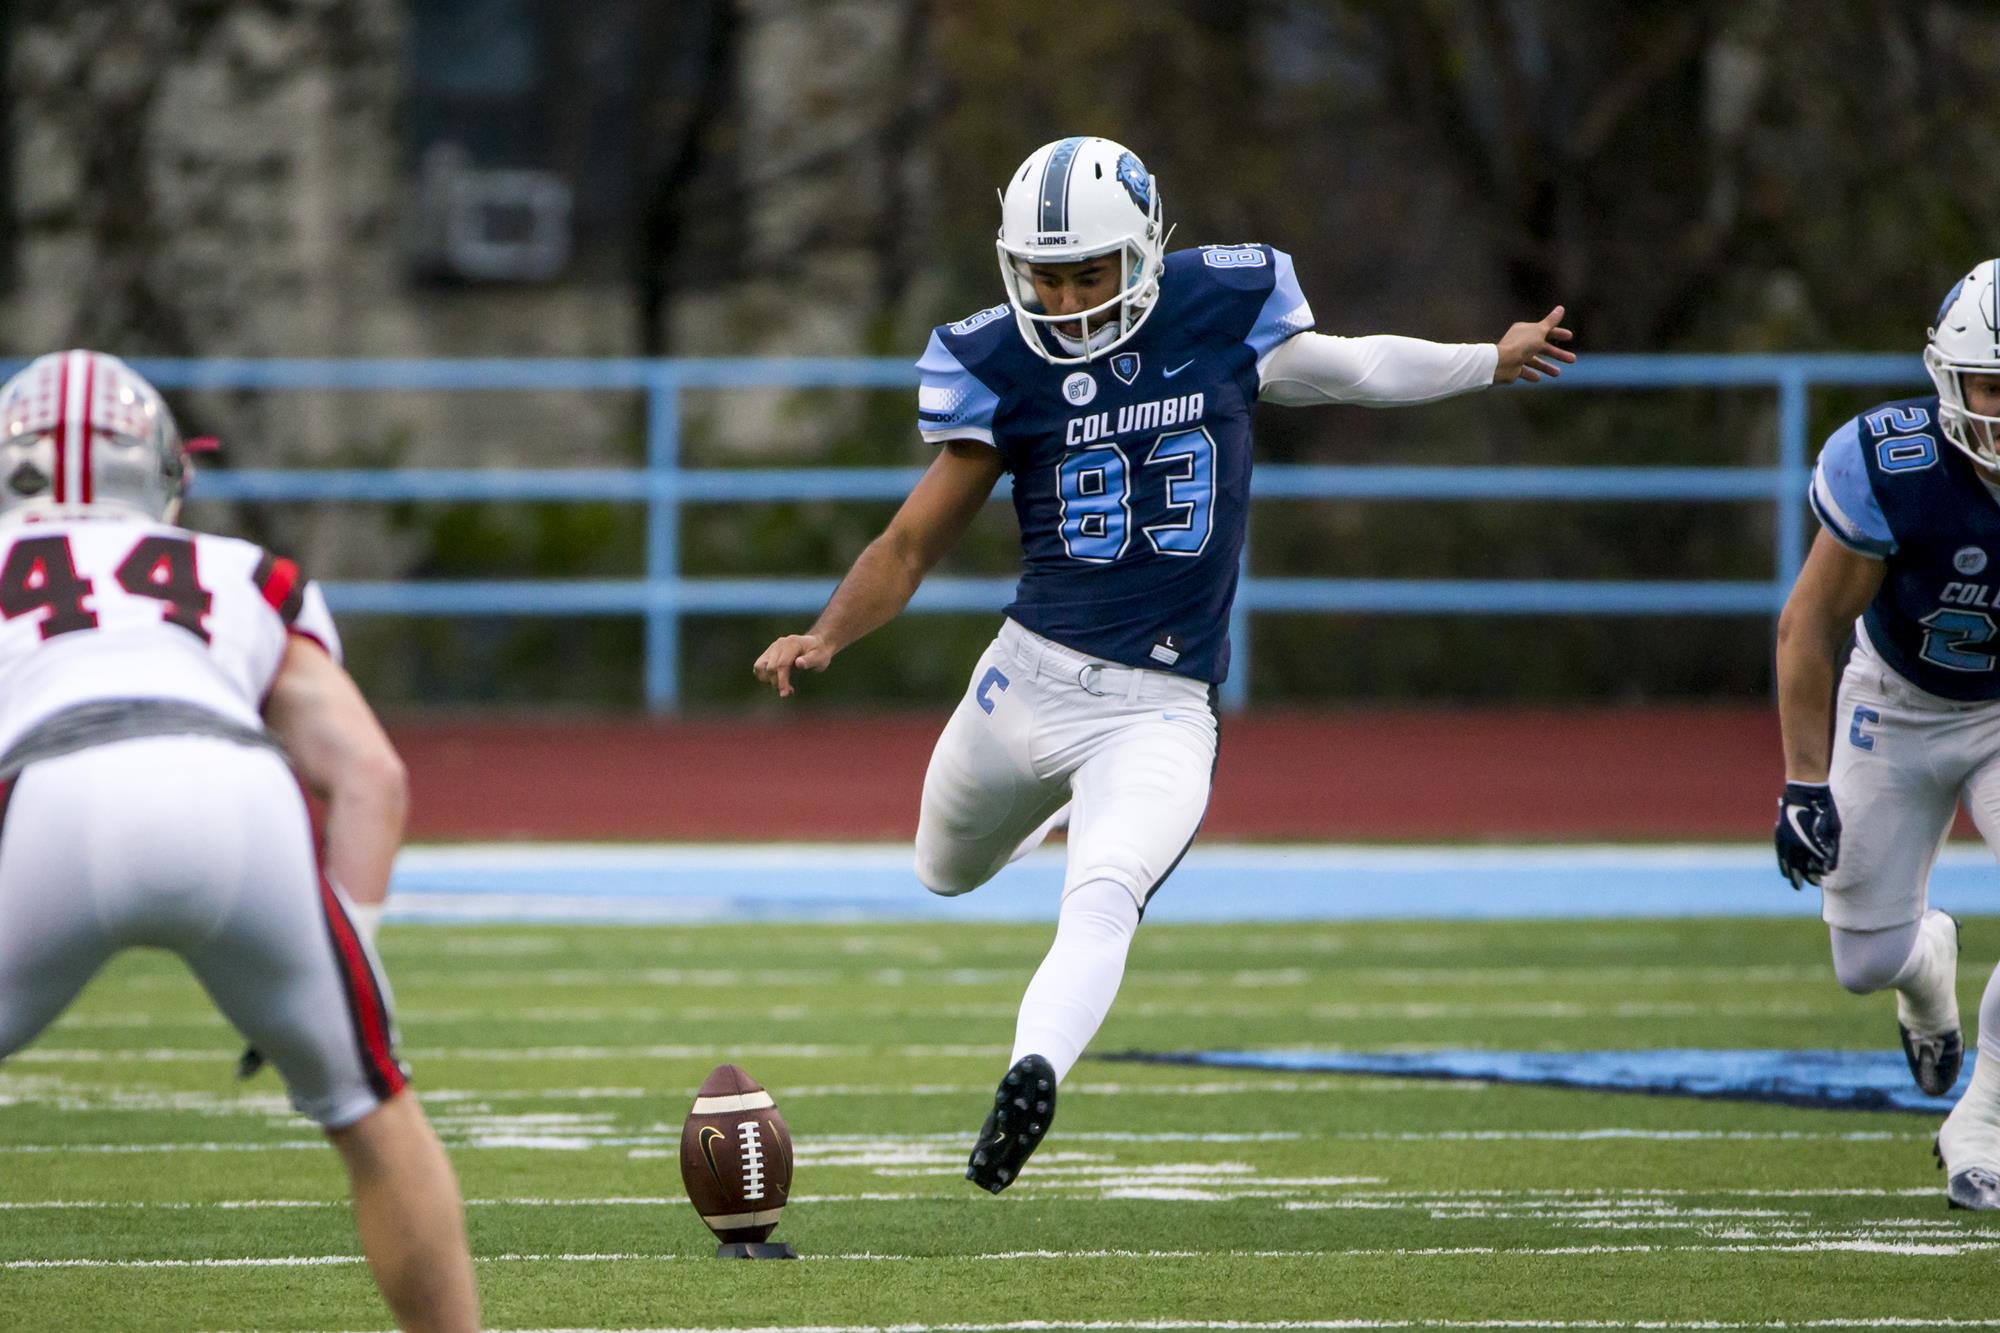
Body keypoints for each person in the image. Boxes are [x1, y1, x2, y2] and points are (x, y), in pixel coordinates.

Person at [753, 136, 1575, 1193]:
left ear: (1142, 252)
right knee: (942, 869)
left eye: (1086, 271)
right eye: (1042, 274)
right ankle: (1053, 816)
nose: (1061, 295)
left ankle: (1030, 1071)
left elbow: (1353, 366)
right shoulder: (996, 360)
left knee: (1103, 892)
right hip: (1025, 679)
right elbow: (910, 543)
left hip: (1158, 709)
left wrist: (1486, 359)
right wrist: (826, 631)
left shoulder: (1220, 310)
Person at [0, 351, 480, 1329]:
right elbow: (369, 777)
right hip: (238, 792)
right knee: (374, 1112)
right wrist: (339, 953)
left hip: (48, 787)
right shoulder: (243, 569)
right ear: (165, 472)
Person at [1775, 258, 2000, 1211]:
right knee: (1863, 961)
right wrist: (1802, 781)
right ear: (1949, 382)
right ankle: (1926, 966)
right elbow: (1811, 623)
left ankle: (1981, 1124)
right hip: (1895, 699)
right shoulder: (1892, 464)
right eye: (1997, 386)